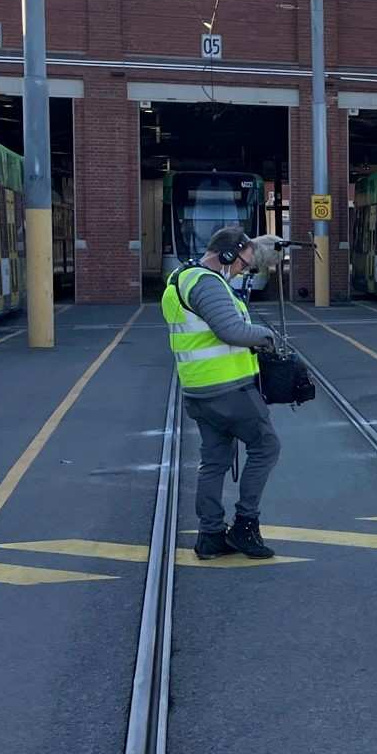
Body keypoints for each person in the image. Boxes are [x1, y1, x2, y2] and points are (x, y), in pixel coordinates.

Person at [161, 225, 285, 560]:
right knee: (266, 446)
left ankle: (211, 535)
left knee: (214, 461)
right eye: (243, 263)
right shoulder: (207, 283)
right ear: (228, 255)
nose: (243, 271)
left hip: (199, 390)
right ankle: (245, 526)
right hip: (228, 389)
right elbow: (231, 331)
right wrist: (268, 337)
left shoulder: (181, 279)